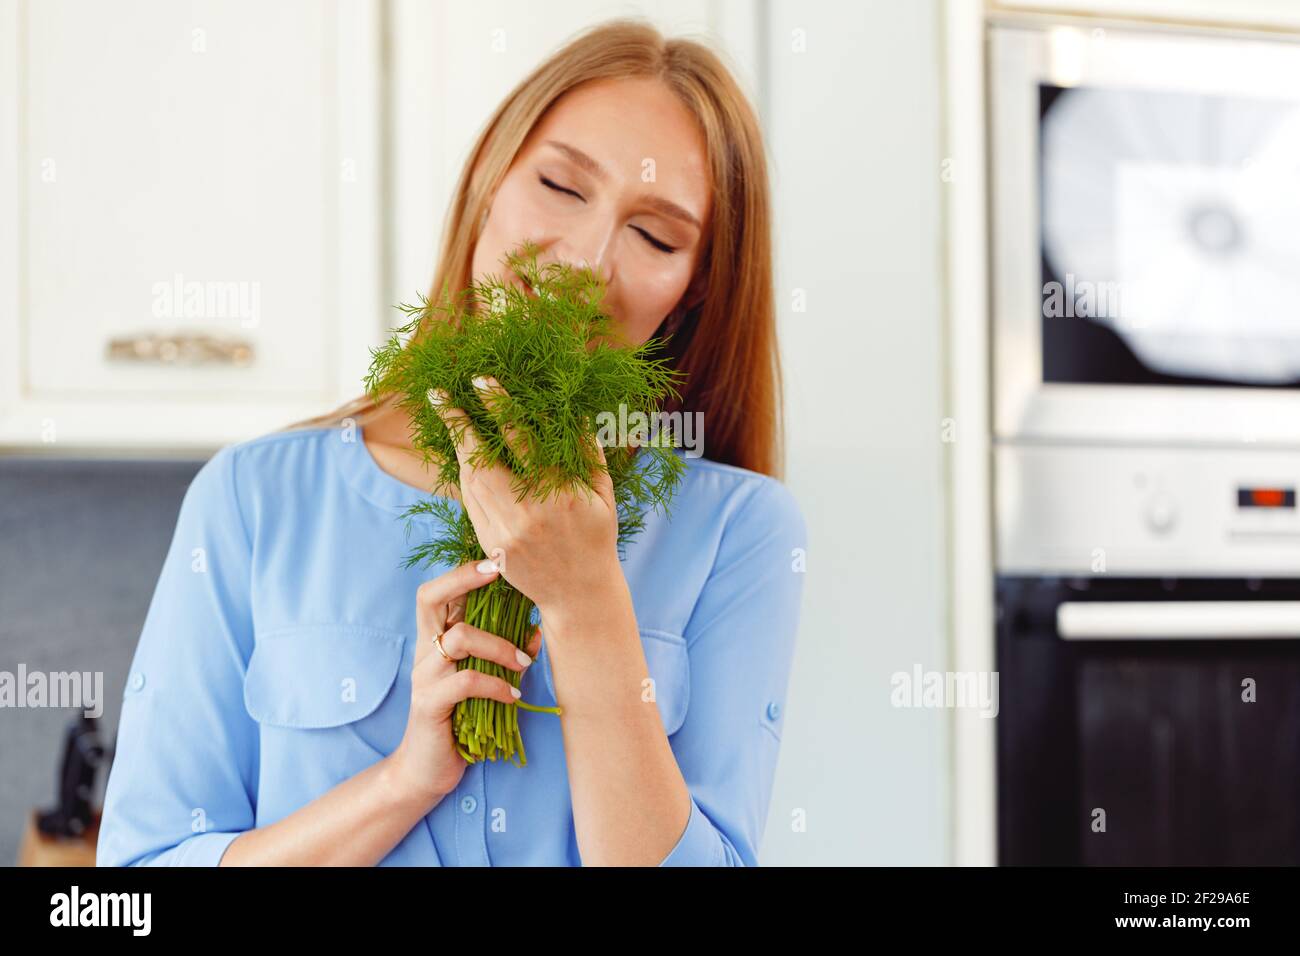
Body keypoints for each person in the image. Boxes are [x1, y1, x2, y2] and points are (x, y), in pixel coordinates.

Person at [97, 17, 806, 867]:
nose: (585, 259)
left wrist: (585, 603)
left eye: (656, 235)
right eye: (560, 185)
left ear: (691, 293)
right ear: (485, 181)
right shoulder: (253, 499)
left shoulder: (740, 533)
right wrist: (403, 783)